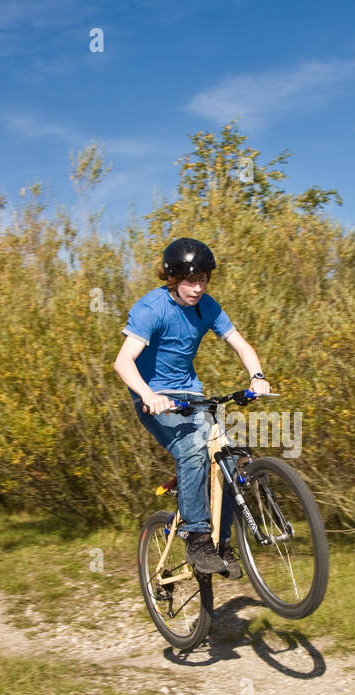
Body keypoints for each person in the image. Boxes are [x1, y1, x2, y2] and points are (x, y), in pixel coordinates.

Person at [113, 237, 272, 577]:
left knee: (228, 457)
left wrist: (257, 376)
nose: (198, 288)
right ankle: (197, 539)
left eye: (203, 280)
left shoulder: (208, 307)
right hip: (152, 395)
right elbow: (123, 362)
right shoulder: (151, 308)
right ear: (172, 278)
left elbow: (241, 346)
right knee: (191, 450)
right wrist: (148, 395)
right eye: (191, 280)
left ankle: (222, 544)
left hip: (190, 394)